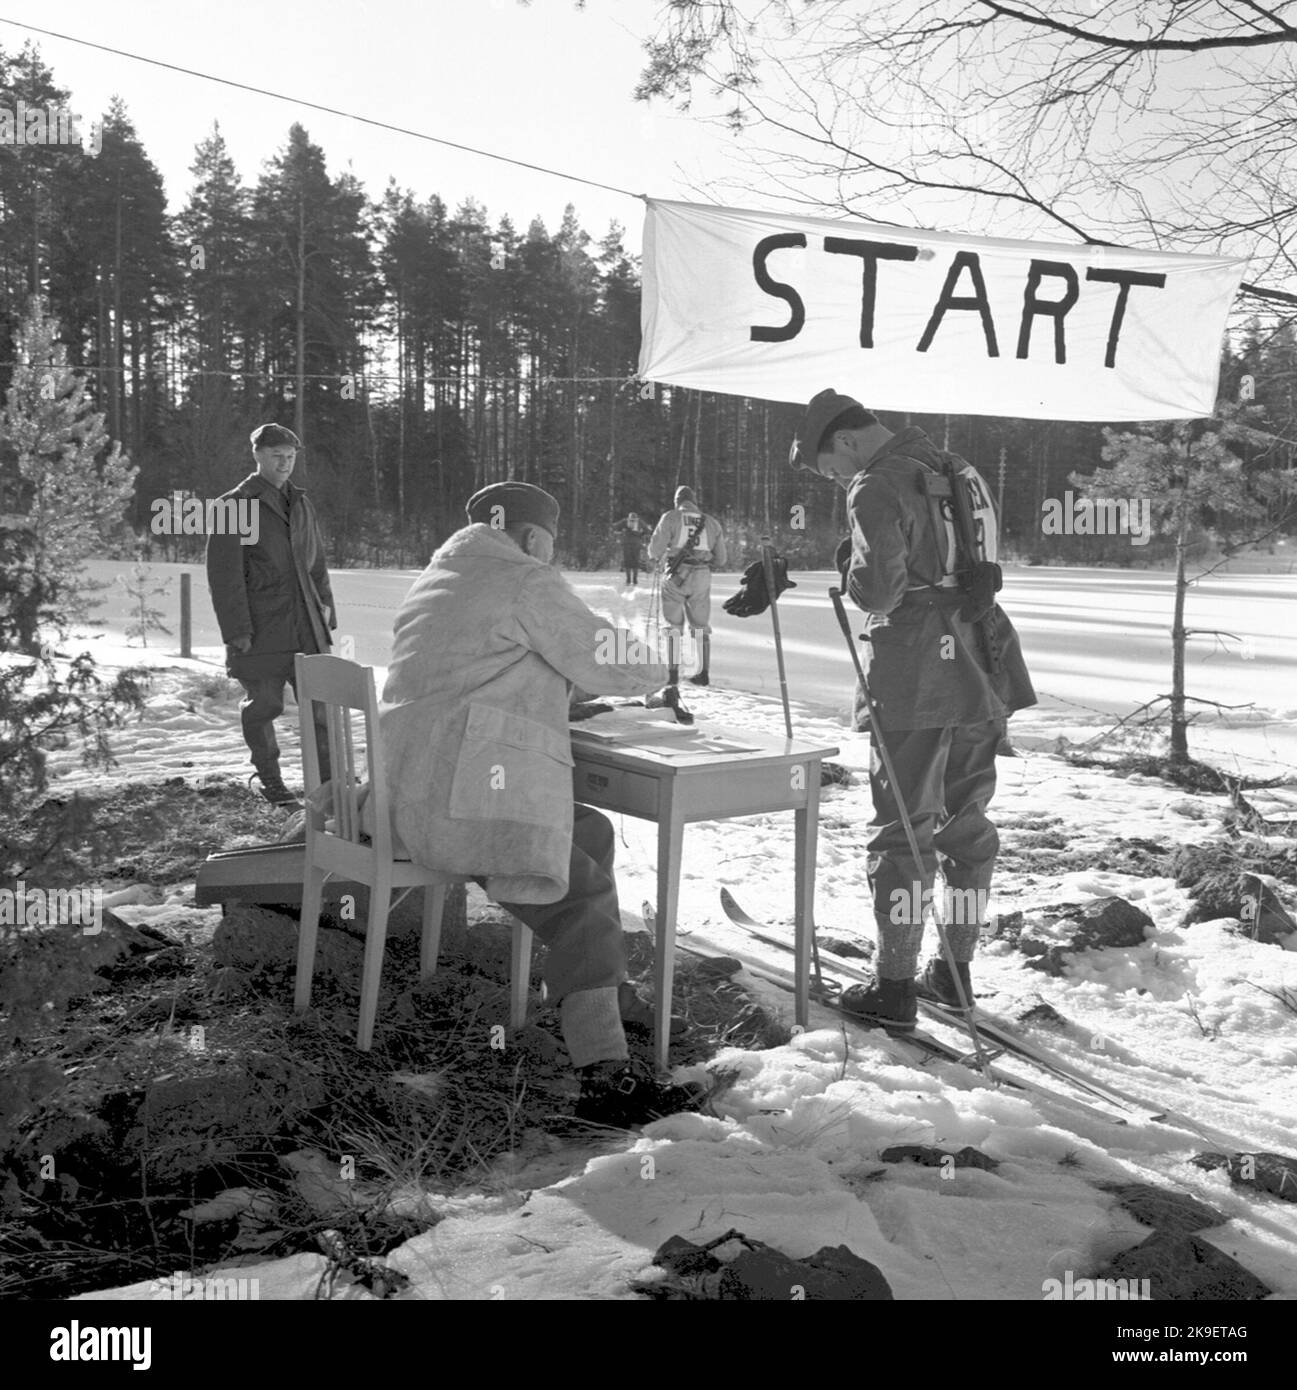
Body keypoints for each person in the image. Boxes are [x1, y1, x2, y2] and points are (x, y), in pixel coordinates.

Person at [379, 481, 700, 1127]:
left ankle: (603, 992)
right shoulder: (521, 576)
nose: (550, 558)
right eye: (548, 545)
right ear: (529, 537)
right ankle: (605, 1079)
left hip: (405, 791)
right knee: (580, 896)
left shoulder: (439, 578)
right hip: (465, 800)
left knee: (590, 833)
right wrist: (659, 661)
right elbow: (614, 661)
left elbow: (481, 669)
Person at [790, 390, 1036, 1032]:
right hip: (982, 656)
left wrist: (849, 565)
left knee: (903, 827)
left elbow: (878, 590)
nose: (837, 479)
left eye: (829, 468)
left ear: (844, 442)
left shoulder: (876, 483)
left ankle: (894, 986)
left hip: (917, 669)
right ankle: (954, 975)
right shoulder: (958, 466)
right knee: (967, 824)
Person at [206, 424, 336, 806]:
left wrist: (326, 609)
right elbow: (225, 577)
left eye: (291, 456)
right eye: (277, 455)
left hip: (307, 625)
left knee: (320, 709)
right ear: (258, 456)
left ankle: (330, 789)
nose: (285, 463)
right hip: (260, 629)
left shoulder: (301, 502)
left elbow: (317, 564)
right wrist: (238, 631)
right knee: (265, 707)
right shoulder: (235, 506)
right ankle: (272, 784)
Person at [647, 486, 727, 686]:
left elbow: (655, 549)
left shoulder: (670, 517)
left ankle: (672, 672)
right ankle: (703, 672)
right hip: (701, 576)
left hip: (675, 576)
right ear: (694, 501)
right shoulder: (711, 522)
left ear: (677, 501)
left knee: (673, 625)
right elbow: (721, 560)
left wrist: (658, 556)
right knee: (700, 625)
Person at [612, 510, 648, 587]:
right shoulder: (639, 522)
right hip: (637, 544)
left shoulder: (625, 521)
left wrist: (621, 532)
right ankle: (635, 580)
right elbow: (647, 530)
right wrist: (641, 535)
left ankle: (628, 580)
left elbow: (614, 527)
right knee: (635, 562)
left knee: (627, 562)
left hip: (626, 543)